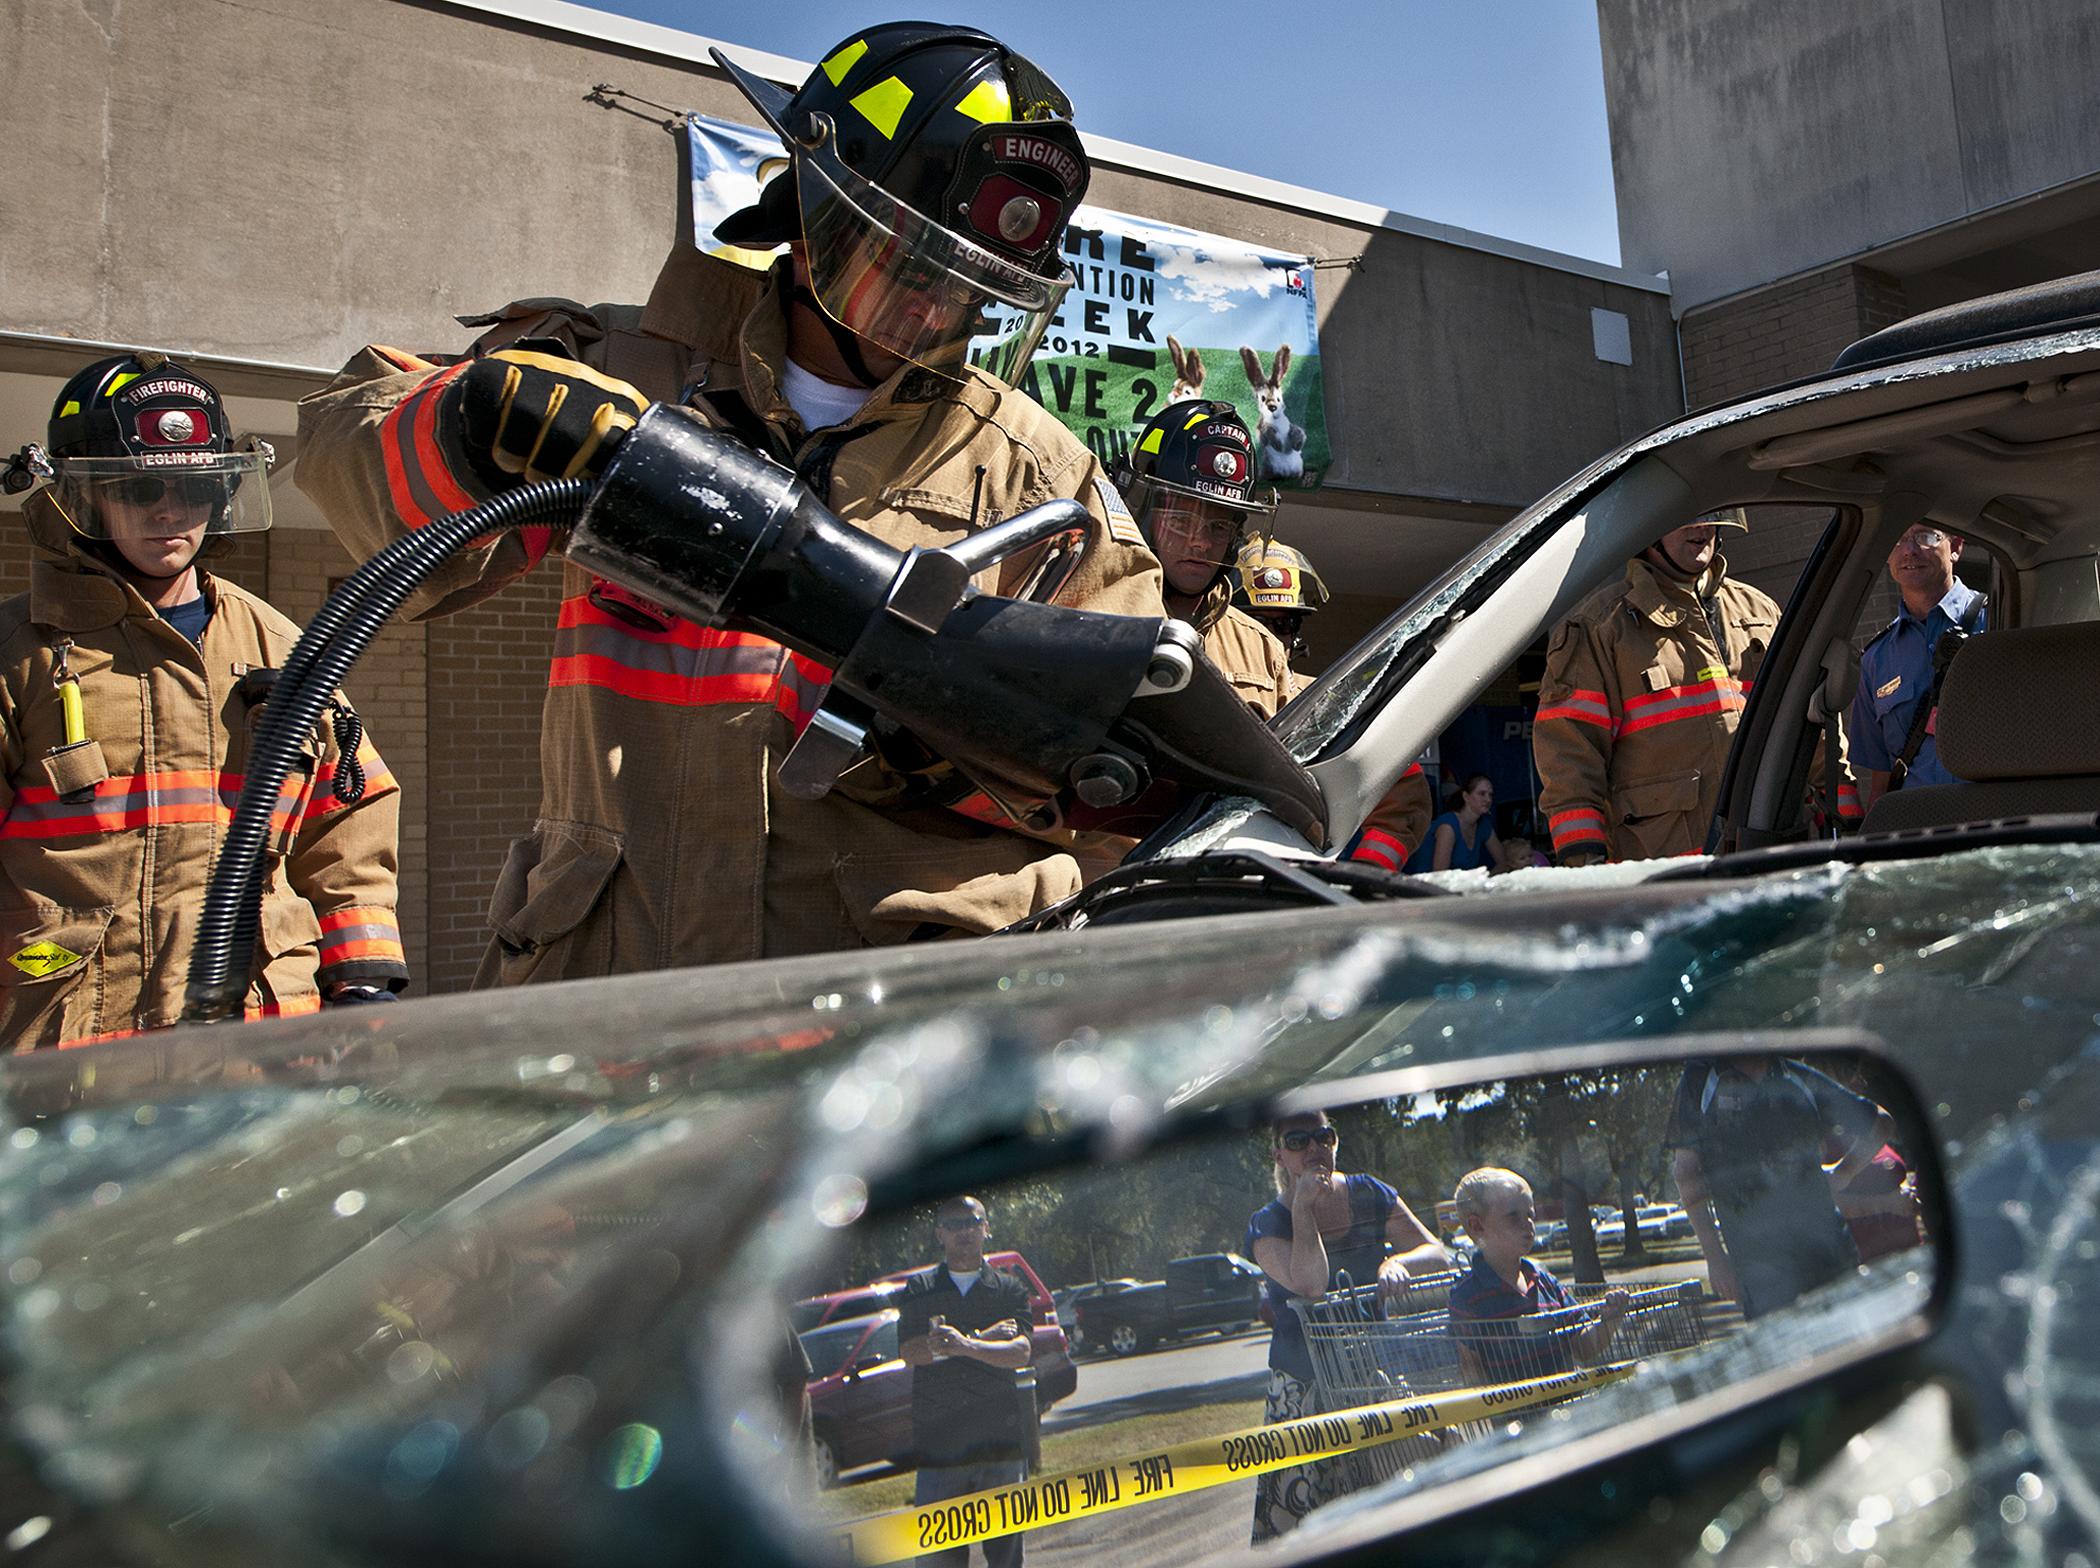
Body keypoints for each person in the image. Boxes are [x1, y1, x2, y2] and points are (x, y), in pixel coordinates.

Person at [296, 23, 1166, 984]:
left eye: (970, 291)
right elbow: (351, 461)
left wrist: (946, 751)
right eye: (909, 265)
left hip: (893, 1006)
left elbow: (1124, 773)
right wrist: (465, 423)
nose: (933, 311)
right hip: (617, 980)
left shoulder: (1038, 473)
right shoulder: (626, 367)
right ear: (812, 207)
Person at [0, 354, 406, 1047]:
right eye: (139, 487)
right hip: (70, 1049)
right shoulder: (20, 653)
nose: (169, 509)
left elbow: (347, 824)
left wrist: (362, 982)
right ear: (82, 496)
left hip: (258, 1047)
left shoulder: (280, 646)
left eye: (193, 487)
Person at [1533, 508, 1859, 864]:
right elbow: (1570, 764)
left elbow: (1814, 737)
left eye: (1711, 512)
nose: (1701, 525)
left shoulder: (1762, 613)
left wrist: (1852, 832)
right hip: (1668, 877)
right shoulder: (1600, 628)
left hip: (1773, 862)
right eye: (1686, 512)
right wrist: (1587, 866)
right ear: (1649, 528)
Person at [1244, 1110, 1448, 1542]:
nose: (1314, 1148)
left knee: (1410, 1488)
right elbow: (1311, 1284)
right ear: (1279, 1156)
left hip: (1374, 1374)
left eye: (1324, 1136)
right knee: (1310, 1528)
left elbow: (1437, 1253)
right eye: (1298, 1141)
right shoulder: (1266, 1225)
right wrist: (1303, 1207)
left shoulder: (1370, 1193)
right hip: (1304, 1387)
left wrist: (1396, 1262)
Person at [1666, 1056, 1896, 1320]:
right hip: (1765, 1270)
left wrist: (1840, 1175)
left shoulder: (1795, 1075)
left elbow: (1880, 1123)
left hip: (1829, 1256)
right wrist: (1715, 1257)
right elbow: (1685, 1175)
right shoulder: (1701, 1078)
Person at [1116, 400, 1292, 717]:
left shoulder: (1264, 653)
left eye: (1219, 526)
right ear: (1141, 516)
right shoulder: (1099, 618)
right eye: (1180, 521)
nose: (1201, 542)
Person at [895, 1196, 1034, 1568]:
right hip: (940, 1449)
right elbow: (910, 1352)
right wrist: (985, 1340)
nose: (964, 1232)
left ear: (986, 1228)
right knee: (939, 1561)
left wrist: (962, 1345)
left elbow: (1020, 1352)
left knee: (1006, 1559)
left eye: (972, 1222)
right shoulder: (920, 1288)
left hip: (1000, 1447)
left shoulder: (1009, 1288)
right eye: (953, 1225)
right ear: (939, 1234)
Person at [1445, 1168, 1628, 1385]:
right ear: (1477, 1226)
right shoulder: (1468, 1298)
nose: (1528, 1223)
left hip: (1570, 1401)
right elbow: (1472, 1371)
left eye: (1530, 1215)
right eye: (1514, 1216)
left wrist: (1609, 1321)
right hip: (1516, 1406)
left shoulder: (1546, 1283)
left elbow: (1584, 1348)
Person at [1848, 522, 1986, 806]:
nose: (1909, 550)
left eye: (1926, 536)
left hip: (1994, 817)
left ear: (1955, 548)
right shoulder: (1875, 660)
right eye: (1898, 539)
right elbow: (1882, 783)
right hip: (1919, 824)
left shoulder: (1998, 621)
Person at [1404, 772, 1512, 874]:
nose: (1488, 799)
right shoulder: (1448, 825)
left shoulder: (1484, 825)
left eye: (1490, 794)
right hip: (1428, 885)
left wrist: (1483, 880)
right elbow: (1440, 874)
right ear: (1466, 796)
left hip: (1461, 885)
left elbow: (1503, 864)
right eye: (1482, 794)